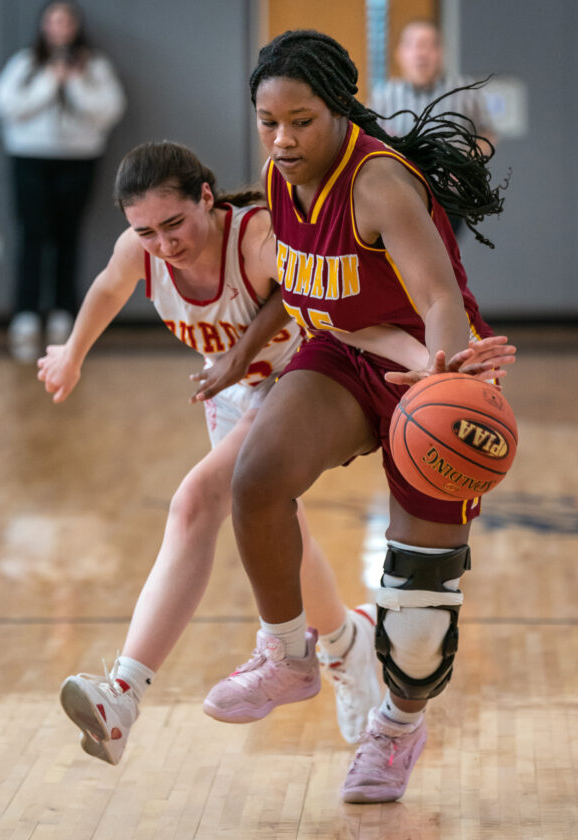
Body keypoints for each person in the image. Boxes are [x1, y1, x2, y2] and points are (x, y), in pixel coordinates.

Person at [36, 140, 440, 764]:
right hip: (235, 393)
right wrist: (72, 353)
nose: (164, 244)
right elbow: (108, 287)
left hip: (298, 377)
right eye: (145, 231)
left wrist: (240, 351)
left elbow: (308, 298)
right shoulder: (139, 251)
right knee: (283, 535)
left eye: (174, 224)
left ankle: (123, 693)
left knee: (194, 503)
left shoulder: (252, 236)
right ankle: (343, 641)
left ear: (206, 198)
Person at [201, 30, 515, 804]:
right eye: (269, 122)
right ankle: (287, 655)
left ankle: (397, 729)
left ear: (338, 111)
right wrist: (241, 356)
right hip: (343, 355)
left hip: (426, 369)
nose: (282, 139)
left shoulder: (377, 182)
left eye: (301, 120)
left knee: (418, 607)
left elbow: (440, 297)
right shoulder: (284, 178)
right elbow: (291, 279)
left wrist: (445, 373)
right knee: (257, 478)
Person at [0, 1, 126, 363]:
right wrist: (51, 80)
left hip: (79, 160)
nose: (60, 27)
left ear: (76, 26)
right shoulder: (26, 63)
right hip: (30, 158)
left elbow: (110, 109)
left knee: (68, 235)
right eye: (53, 20)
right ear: (44, 25)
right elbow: (6, 106)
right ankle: (25, 316)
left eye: (66, 20)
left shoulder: (93, 65)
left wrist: (75, 81)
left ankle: (64, 312)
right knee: (32, 234)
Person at [369, 19, 497, 237]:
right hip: (398, 197)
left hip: (449, 200)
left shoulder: (464, 93)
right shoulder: (383, 97)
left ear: (440, 52)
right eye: (413, 45)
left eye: (428, 45)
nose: (421, 54)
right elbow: (363, 138)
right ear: (400, 53)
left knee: (443, 260)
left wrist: (465, 161)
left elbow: (488, 135)